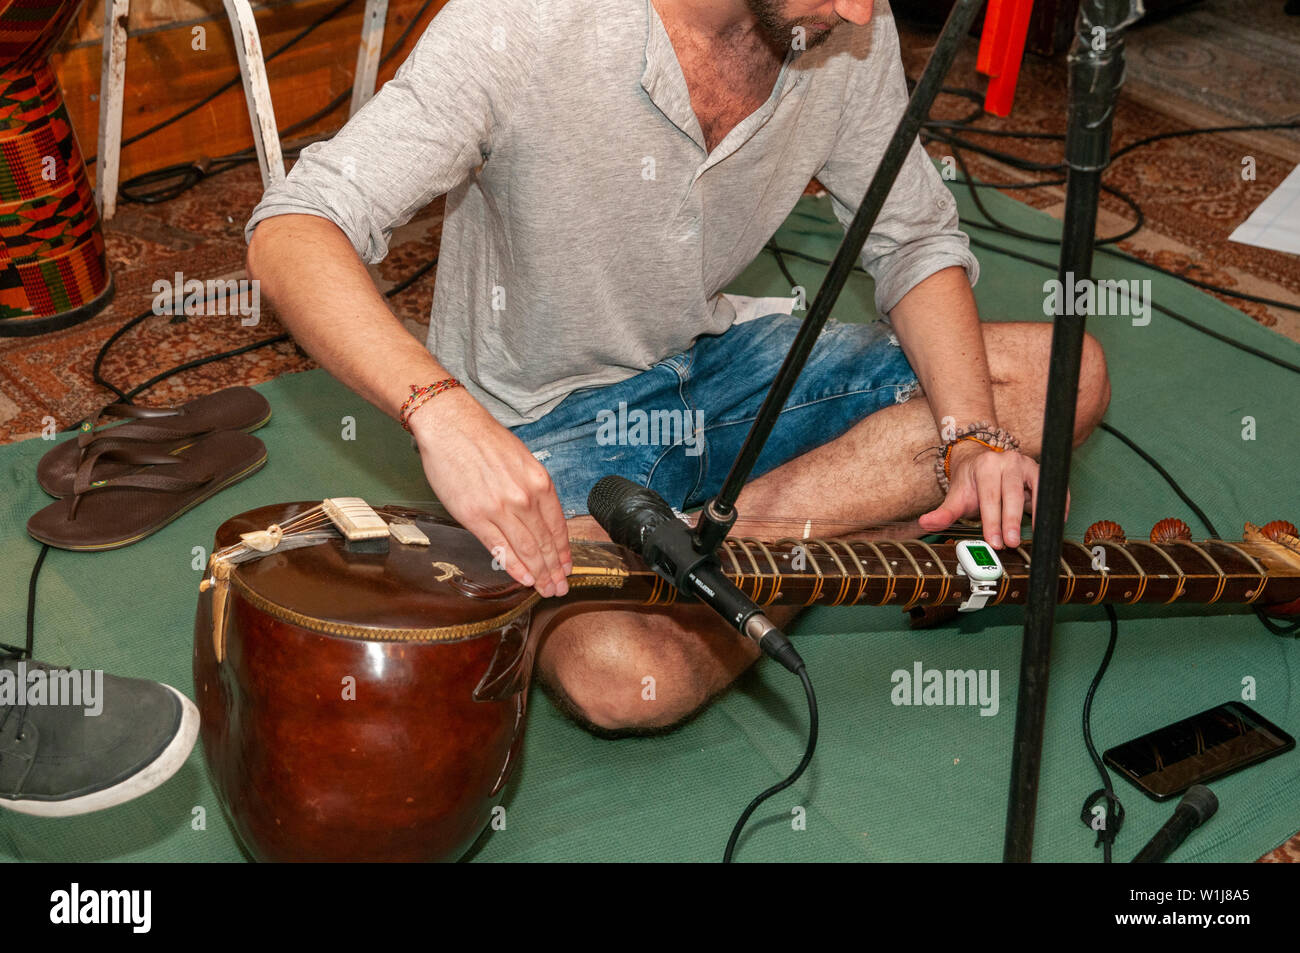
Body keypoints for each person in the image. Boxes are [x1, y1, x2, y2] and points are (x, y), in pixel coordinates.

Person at [245, 0, 1111, 737]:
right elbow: (294, 225)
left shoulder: (847, 25)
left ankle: (726, 545)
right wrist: (439, 409)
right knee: (620, 679)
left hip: (726, 369)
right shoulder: (526, 20)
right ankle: (856, 527)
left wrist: (966, 434)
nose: (858, 12)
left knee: (1065, 373)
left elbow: (915, 237)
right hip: (551, 438)